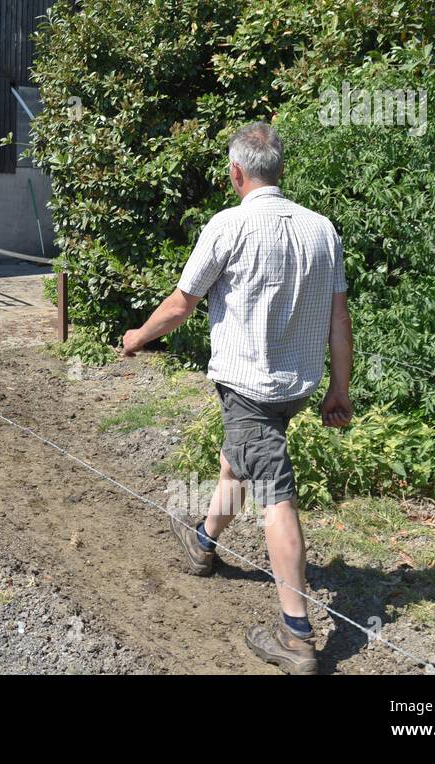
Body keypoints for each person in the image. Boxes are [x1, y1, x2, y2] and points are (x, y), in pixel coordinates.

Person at [120, 121, 353, 675]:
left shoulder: (228, 225)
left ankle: (296, 633)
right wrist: (340, 389)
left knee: (274, 492)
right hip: (297, 386)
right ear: (280, 170)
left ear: (236, 172)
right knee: (238, 462)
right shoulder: (322, 229)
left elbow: (181, 304)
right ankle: (203, 542)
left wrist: (136, 337)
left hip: (249, 386)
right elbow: (338, 318)